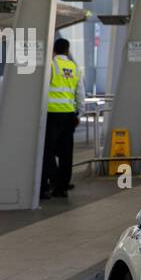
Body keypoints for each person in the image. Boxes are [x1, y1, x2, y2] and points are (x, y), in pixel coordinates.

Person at [40, 37, 85, 201]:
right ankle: (62, 187)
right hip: (69, 115)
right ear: (67, 50)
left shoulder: (51, 65)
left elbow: (43, 90)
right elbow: (80, 93)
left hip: (51, 115)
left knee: (47, 152)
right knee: (66, 154)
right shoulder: (75, 68)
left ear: (54, 50)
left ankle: (48, 185)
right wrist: (79, 113)